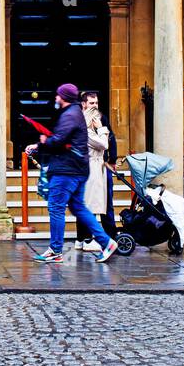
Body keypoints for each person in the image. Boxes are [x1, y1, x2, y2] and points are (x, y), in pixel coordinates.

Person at [28, 83, 118, 264]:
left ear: (64, 97)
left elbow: (60, 140)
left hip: (66, 170)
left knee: (56, 207)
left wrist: (42, 143)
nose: (55, 98)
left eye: (58, 96)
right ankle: (106, 242)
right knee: (79, 208)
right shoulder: (76, 114)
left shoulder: (69, 115)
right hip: (77, 169)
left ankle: (55, 250)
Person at [75, 90, 117, 252]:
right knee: (88, 203)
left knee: (104, 202)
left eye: (97, 103)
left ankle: (107, 234)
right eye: (92, 103)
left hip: (100, 165)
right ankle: (86, 238)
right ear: (84, 104)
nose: (95, 106)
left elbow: (111, 139)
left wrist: (112, 159)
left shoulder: (100, 117)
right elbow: (104, 142)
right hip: (90, 166)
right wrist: (102, 130)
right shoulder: (82, 122)